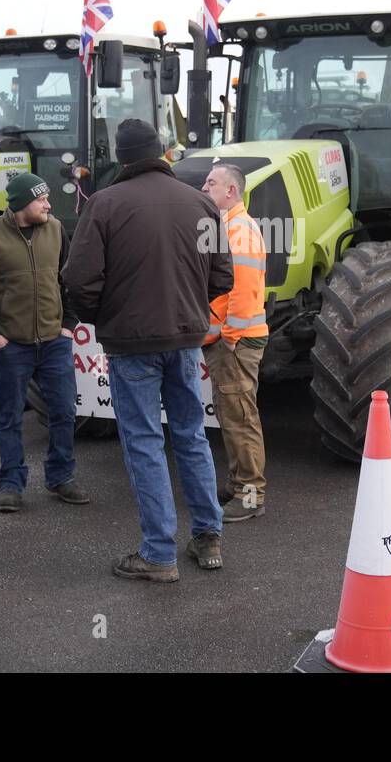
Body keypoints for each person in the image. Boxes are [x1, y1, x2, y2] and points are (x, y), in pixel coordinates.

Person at [63, 119, 233, 582]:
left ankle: (159, 554)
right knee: (191, 435)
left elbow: (78, 280)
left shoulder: (104, 204)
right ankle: (208, 537)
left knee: (144, 443)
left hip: (131, 344)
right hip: (186, 340)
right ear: (162, 152)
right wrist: (190, 306)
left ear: (122, 158)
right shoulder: (201, 203)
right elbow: (224, 277)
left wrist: (103, 317)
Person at [0, 173, 84, 513]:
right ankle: (11, 484)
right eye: (41, 199)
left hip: (54, 341)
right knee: (10, 416)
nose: (48, 204)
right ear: (20, 204)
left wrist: (68, 325)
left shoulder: (56, 229)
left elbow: (70, 278)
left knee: (64, 411)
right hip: (11, 344)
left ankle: (61, 477)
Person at [200, 164, 269, 521]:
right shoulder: (231, 226)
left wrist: (228, 338)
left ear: (231, 191)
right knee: (234, 415)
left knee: (240, 417)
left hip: (236, 344)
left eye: (211, 182)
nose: (203, 186)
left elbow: (242, 292)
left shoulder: (237, 231)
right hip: (234, 340)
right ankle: (239, 482)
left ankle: (249, 494)